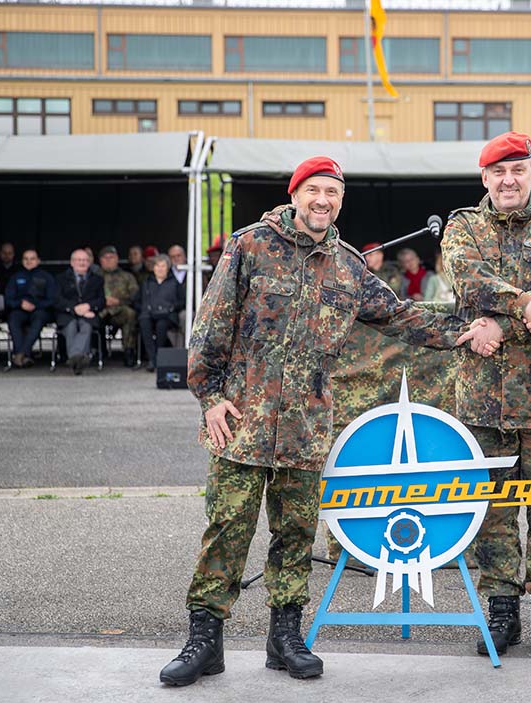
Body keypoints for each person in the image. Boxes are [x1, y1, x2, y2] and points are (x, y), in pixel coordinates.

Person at [159, 155, 492, 687]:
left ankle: (285, 637)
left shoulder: (348, 267)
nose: (322, 200)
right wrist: (210, 398)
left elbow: (400, 315)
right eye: (313, 190)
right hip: (241, 423)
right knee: (226, 530)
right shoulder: (250, 247)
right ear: (295, 195)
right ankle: (204, 640)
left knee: (295, 534)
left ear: (340, 201)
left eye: (332, 193)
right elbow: (209, 327)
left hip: (306, 426)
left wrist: (464, 330)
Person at [441, 131, 531, 661]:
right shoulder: (462, 226)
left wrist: (498, 324)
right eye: (498, 172)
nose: (508, 180)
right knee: (492, 508)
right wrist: (527, 305)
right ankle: (500, 609)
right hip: (483, 402)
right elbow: (468, 279)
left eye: (518, 170)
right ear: (485, 178)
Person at [55, 248, 105, 375]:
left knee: (86, 326)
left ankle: (74, 358)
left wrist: (89, 306)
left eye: (85, 260)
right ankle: (79, 358)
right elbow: (57, 300)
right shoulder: (60, 278)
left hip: (89, 313)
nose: (82, 263)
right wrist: (74, 309)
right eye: (78, 260)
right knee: (71, 326)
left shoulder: (97, 279)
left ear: (89, 263)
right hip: (67, 314)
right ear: (72, 262)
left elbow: (101, 301)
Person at [5, 249, 56, 368]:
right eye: (26, 259)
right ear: (22, 261)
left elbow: (52, 299)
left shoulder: (47, 277)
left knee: (38, 320)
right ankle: (23, 355)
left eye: (32, 258)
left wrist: (36, 306)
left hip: (40, 310)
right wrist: (20, 304)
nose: (29, 261)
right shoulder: (15, 277)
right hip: (20, 309)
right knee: (13, 319)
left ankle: (20, 354)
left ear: (38, 261)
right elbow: (8, 299)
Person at [136, 254, 184, 371]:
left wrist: (171, 308)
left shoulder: (174, 283)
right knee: (144, 322)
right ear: (153, 268)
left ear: (168, 268)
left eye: (163, 266)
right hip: (148, 314)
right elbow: (136, 300)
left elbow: (182, 301)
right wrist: (143, 308)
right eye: (157, 266)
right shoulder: (146, 283)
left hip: (167, 315)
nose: (160, 269)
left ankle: (159, 357)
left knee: (161, 325)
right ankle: (152, 359)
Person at [98, 245, 140, 367]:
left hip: (119, 310)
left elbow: (135, 297)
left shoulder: (127, 276)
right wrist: (102, 301)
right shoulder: (94, 275)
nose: (109, 260)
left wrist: (118, 301)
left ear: (117, 259)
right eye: (105, 258)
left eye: (111, 257)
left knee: (130, 314)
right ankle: (97, 352)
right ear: (100, 260)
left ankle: (129, 351)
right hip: (99, 310)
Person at [167, 244, 189, 346]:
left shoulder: (194, 272)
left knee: (185, 317)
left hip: (189, 309)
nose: (176, 259)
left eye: (178, 255)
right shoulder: (166, 274)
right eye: (172, 256)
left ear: (184, 256)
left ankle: (186, 350)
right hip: (170, 310)